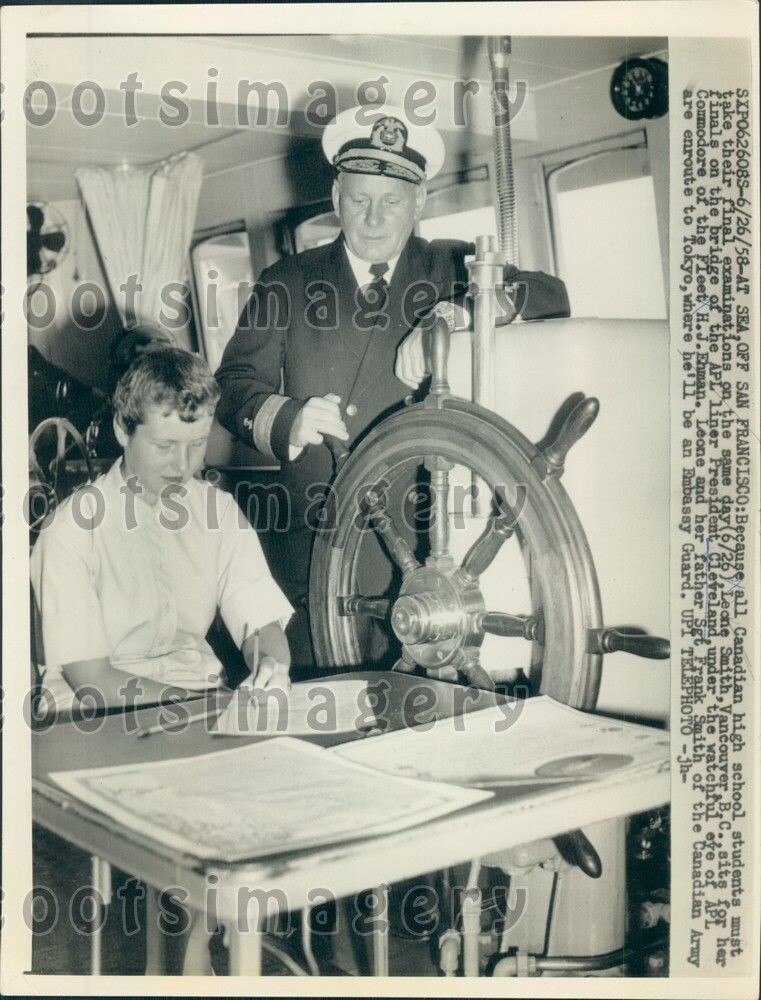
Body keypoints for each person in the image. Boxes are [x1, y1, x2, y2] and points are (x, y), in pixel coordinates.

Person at [215, 105, 570, 673]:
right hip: (316, 544)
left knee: (415, 704)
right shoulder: (287, 281)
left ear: (419, 201)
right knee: (318, 703)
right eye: (360, 200)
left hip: (420, 546)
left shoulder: (452, 266)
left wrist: (461, 311)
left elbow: (552, 295)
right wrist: (287, 417)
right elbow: (232, 386)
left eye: (393, 201)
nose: (375, 219)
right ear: (336, 198)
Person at [31, 347, 293, 711]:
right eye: (164, 445)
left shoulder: (218, 512)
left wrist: (271, 665)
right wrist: (203, 707)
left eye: (197, 444)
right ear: (122, 430)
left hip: (201, 702)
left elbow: (261, 622)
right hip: (91, 716)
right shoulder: (71, 529)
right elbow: (93, 682)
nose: (182, 465)